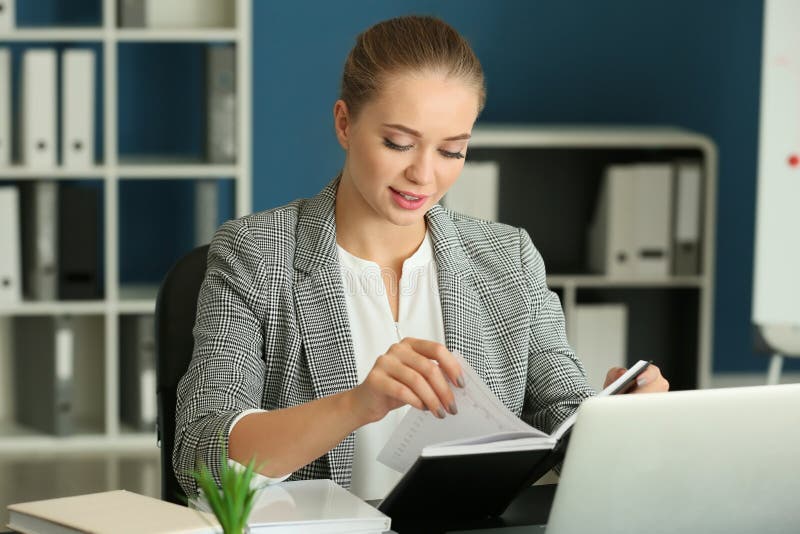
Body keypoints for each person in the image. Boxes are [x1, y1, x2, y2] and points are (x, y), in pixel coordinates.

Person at [173, 15, 669, 501]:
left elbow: (561, 407)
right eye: (399, 143)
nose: (423, 175)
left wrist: (612, 418)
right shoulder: (255, 252)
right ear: (345, 124)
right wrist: (356, 405)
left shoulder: (507, 256)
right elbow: (200, 455)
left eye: (452, 151)